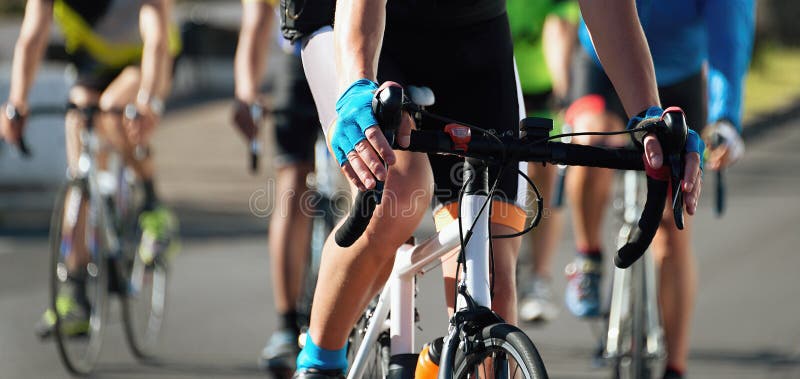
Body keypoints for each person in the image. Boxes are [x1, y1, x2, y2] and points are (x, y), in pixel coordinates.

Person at [288, 0, 704, 377]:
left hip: (473, 35)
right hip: (350, 21)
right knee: (400, 192)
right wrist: (357, 82)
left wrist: (649, 114)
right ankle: (320, 362)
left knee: (492, 272)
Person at [561, 1, 754, 378]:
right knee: (591, 142)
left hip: (677, 77)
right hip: (604, 62)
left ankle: (674, 366)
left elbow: (729, 41)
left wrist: (726, 119)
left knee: (673, 228)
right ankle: (588, 257)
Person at [0, 0, 181, 337]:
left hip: (145, 61)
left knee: (115, 111)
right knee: (78, 143)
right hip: (94, 65)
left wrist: (148, 102)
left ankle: (152, 203)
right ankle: (75, 291)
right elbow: (32, 36)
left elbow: (157, 39)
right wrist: (17, 102)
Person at [231, 0, 321, 373]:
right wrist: (246, 92)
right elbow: (254, 25)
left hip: (321, 53)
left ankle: (287, 329)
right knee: (295, 182)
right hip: (314, 55)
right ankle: (286, 325)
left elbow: (255, 26)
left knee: (297, 182)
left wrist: (246, 93)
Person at [507, 0, 580, 324]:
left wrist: (563, 88)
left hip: (545, 91)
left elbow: (558, 29)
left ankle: (539, 277)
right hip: (496, 83)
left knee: (544, 175)